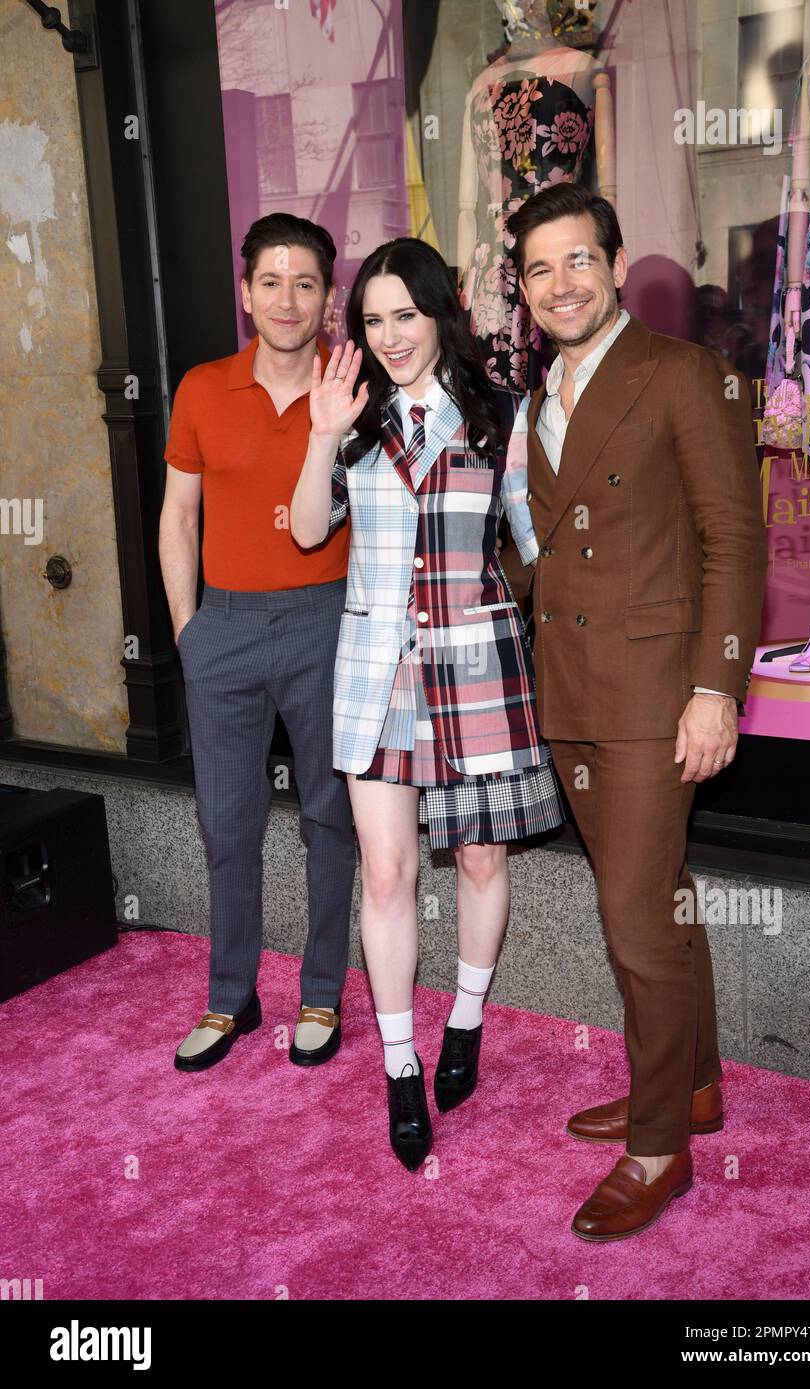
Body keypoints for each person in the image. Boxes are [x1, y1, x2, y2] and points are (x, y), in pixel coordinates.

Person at [498, 183, 766, 1239]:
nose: (559, 284)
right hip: (569, 687)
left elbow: (733, 544)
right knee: (661, 899)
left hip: (658, 696)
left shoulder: (681, 373)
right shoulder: (536, 397)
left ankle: (659, 1145)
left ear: (614, 265)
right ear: (519, 290)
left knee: (635, 922)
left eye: (577, 261)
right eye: (537, 269)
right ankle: (691, 1082)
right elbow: (540, 545)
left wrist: (716, 687)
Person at [290, 237, 565, 1171]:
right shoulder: (354, 416)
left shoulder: (498, 414)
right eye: (372, 319)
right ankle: (401, 1064)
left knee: (483, 858)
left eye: (405, 313)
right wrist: (322, 432)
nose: (390, 335)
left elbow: (535, 542)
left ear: (441, 311)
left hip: (476, 662)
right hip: (374, 670)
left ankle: (468, 1021)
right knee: (386, 873)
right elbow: (304, 530)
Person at [160, 213, 356, 1074]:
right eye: (270, 282)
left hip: (325, 620)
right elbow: (177, 516)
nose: (287, 299)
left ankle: (322, 992)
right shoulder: (202, 387)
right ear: (246, 295)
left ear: (327, 299)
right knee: (226, 819)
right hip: (224, 628)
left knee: (328, 815)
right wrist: (188, 631)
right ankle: (229, 996)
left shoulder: (352, 389)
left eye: (305, 283)